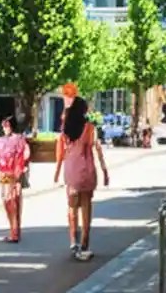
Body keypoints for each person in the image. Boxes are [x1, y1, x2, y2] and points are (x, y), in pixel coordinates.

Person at [54, 96, 110, 261]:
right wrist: (105, 171)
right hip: (86, 169)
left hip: (71, 170)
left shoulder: (66, 129)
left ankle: (73, 241)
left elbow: (61, 153)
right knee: (86, 206)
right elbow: (98, 149)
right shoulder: (90, 128)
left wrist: (57, 173)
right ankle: (85, 241)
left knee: (72, 207)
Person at [0, 116, 31, 243]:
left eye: (7, 125)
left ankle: (15, 232)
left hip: (15, 174)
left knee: (13, 201)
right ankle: (14, 230)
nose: (5, 128)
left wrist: (21, 168)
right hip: (4, 174)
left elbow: (26, 155)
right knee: (7, 201)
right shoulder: (0, 140)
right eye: (4, 125)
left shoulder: (20, 139)